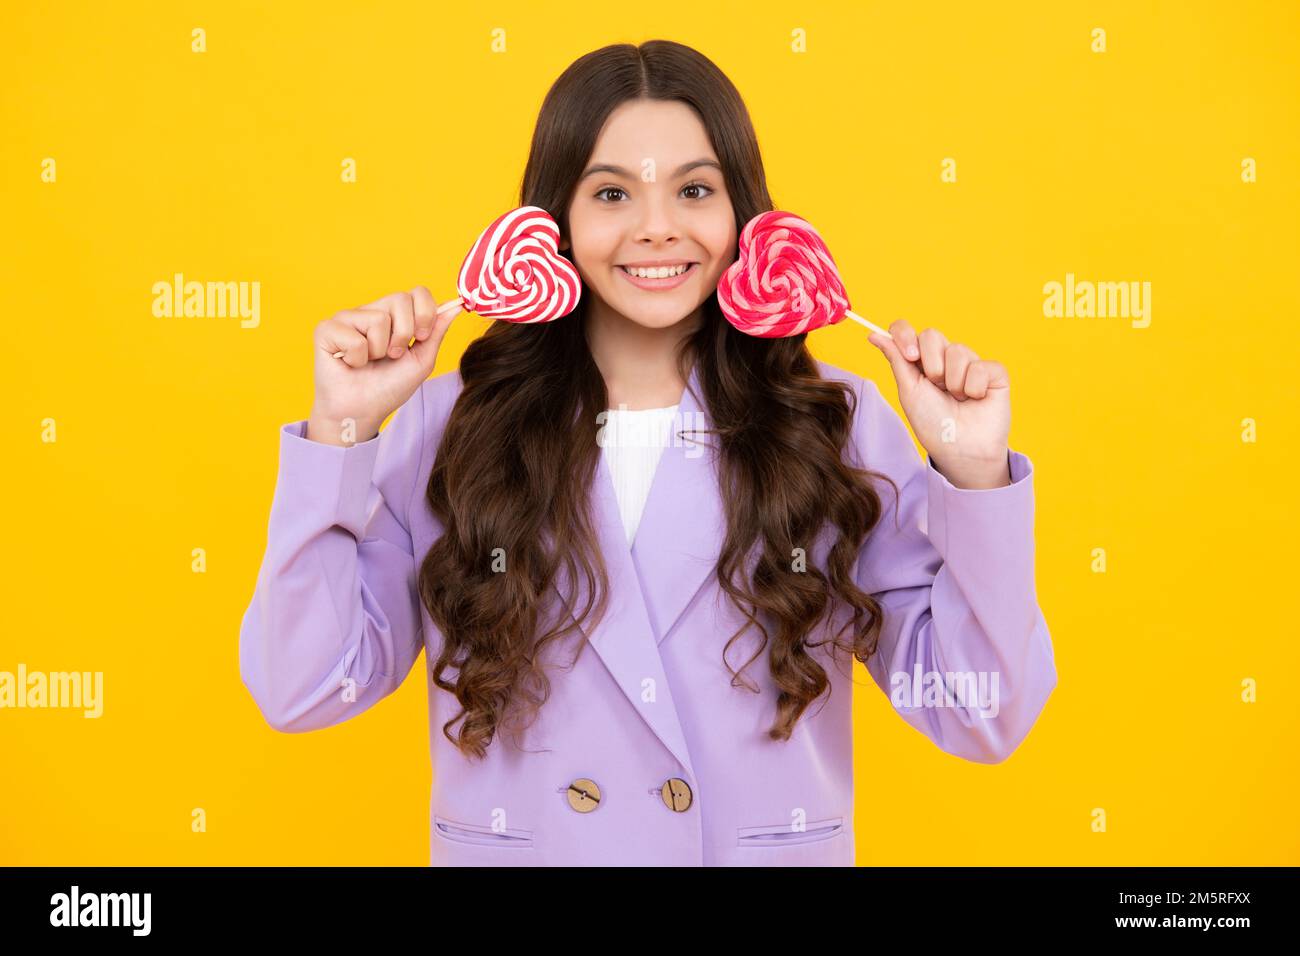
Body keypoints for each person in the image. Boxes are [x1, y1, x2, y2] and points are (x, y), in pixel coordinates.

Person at [239, 39, 1057, 866]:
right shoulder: (448, 426)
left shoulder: (832, 424)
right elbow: (304, 686)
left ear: (744, 215)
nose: (658, 227)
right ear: (553, 222)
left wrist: (974, 474)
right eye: (612, 193)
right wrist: (340, 429)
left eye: (694, 190)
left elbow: (980, 714)